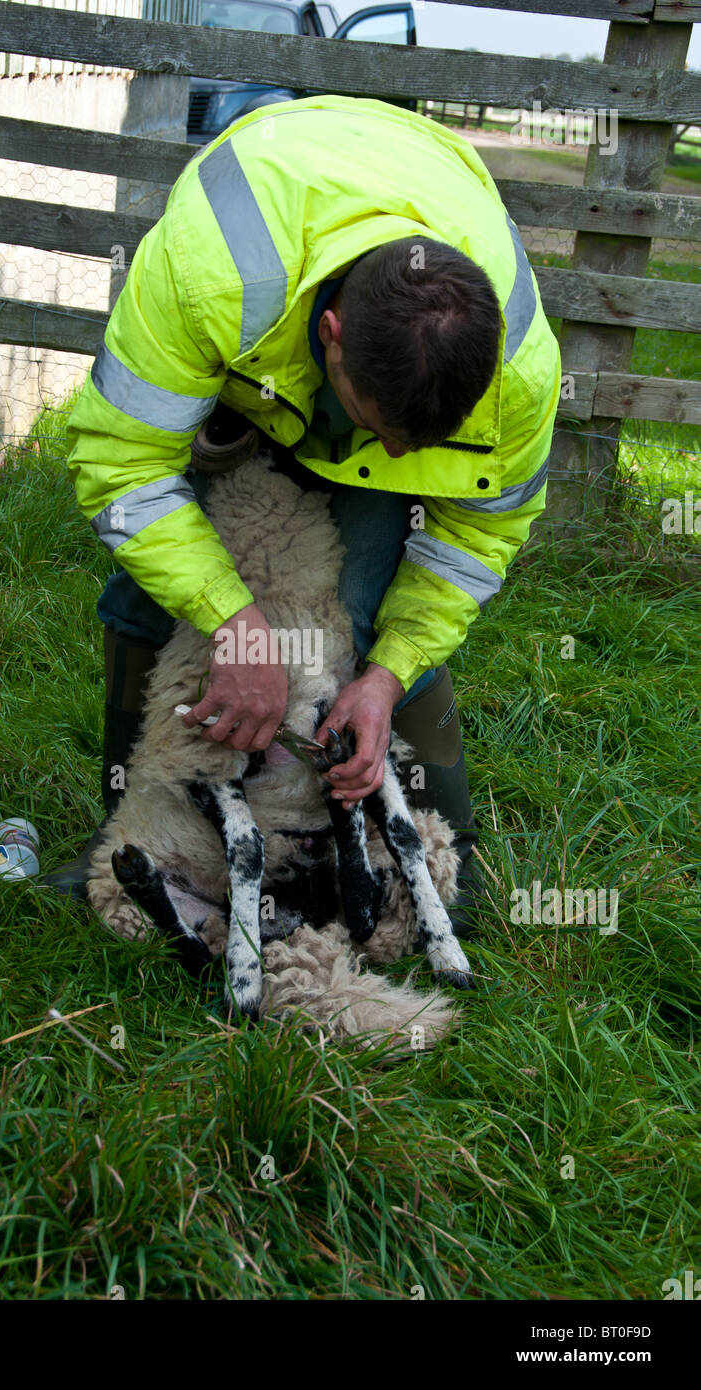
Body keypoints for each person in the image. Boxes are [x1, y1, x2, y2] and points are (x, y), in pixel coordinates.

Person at [41, 94, 562, 934]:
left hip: (356, 268)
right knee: (145, 604)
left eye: (418, 446)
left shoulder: (522, 372)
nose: (397, 463)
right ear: (330, 335)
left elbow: (477, 537)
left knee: (355, 617)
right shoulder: (207, 274)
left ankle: (435, 864)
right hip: (256, 342)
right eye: (380, 428)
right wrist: (236, 628)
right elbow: (123, 468)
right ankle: (135, 844)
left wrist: (386, 676)